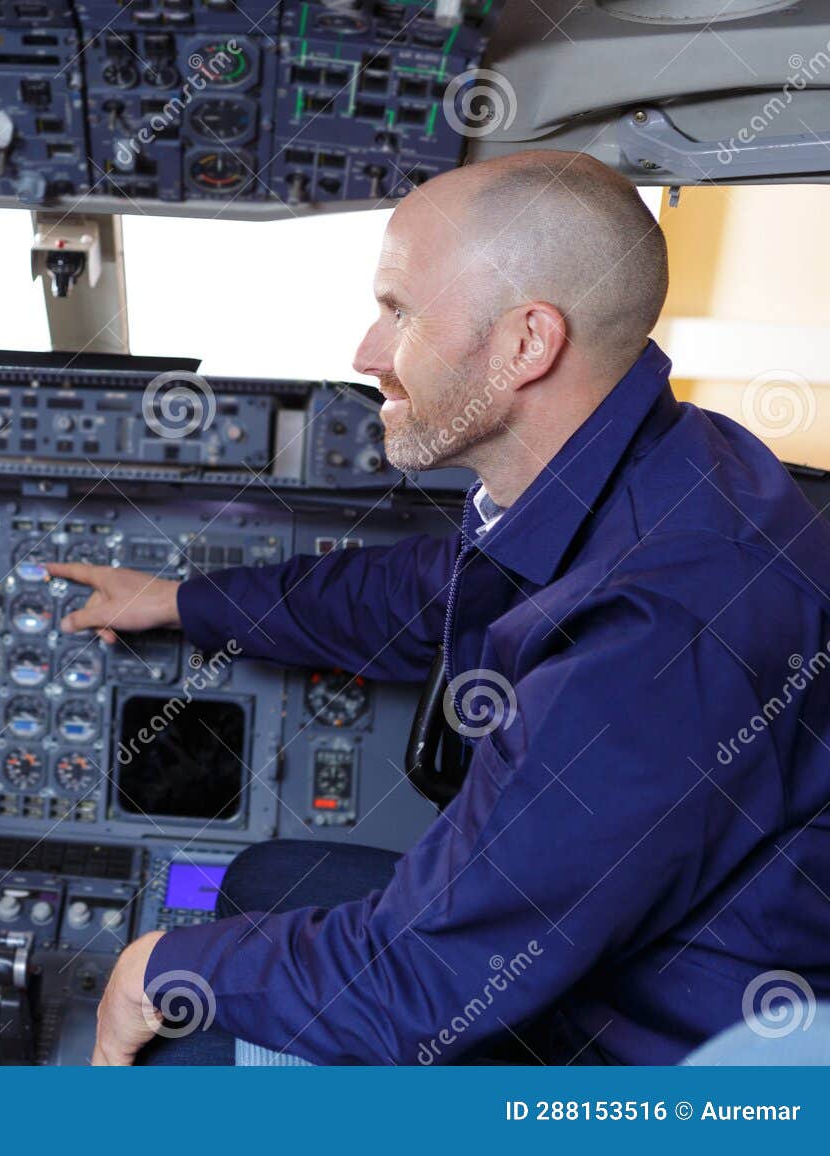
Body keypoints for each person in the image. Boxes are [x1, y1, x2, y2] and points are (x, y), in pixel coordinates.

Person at [48, 150, 830, 1065]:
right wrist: (184, 601)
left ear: (527, 344)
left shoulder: (664, 628)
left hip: (649, 1051)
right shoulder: (661, 461)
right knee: (267, 881)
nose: (365, 355)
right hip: (629, 964)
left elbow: (419, 986)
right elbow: (426, 591)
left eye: (398, 312)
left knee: (180, 1034)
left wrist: (153, 969)